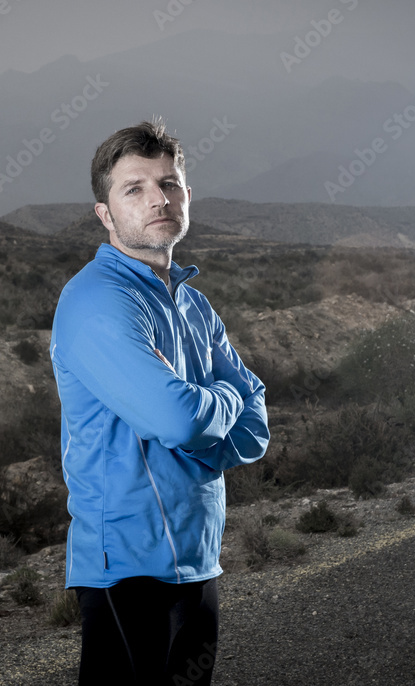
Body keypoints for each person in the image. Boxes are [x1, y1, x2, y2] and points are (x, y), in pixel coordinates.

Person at [49, 119, 270, 685]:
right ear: (105, 213)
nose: (158, 199)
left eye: (169, 183)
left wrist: (202, 426)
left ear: (187, 196)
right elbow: (181, 418)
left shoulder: (193, 304)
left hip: (196, 555)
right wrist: (215, 406)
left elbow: (256, 425)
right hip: (125, 564)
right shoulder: (98, 300)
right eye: (135, 188)